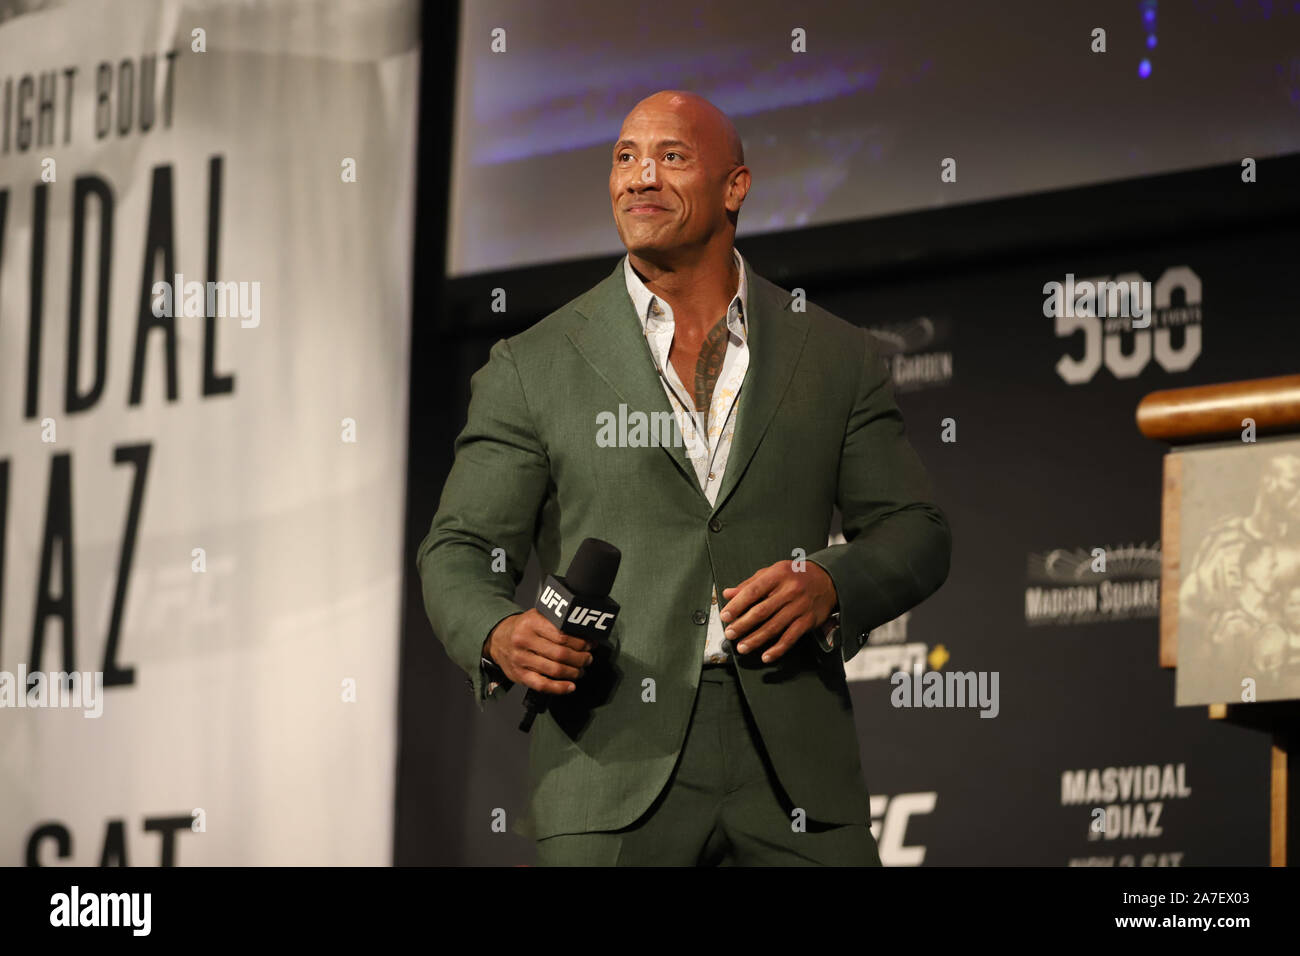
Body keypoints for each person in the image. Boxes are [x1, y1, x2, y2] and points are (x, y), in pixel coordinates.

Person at [417, 90, 951, 866]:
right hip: (609, 767)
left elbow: (917, 531)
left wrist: (831, 583)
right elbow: (459, 548)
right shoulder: (531, 366)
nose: (639, 178)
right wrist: (497, 633)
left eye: (671, 157)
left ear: (735, 187)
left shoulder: (834, 356)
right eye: (625, 158)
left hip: (793, 767)